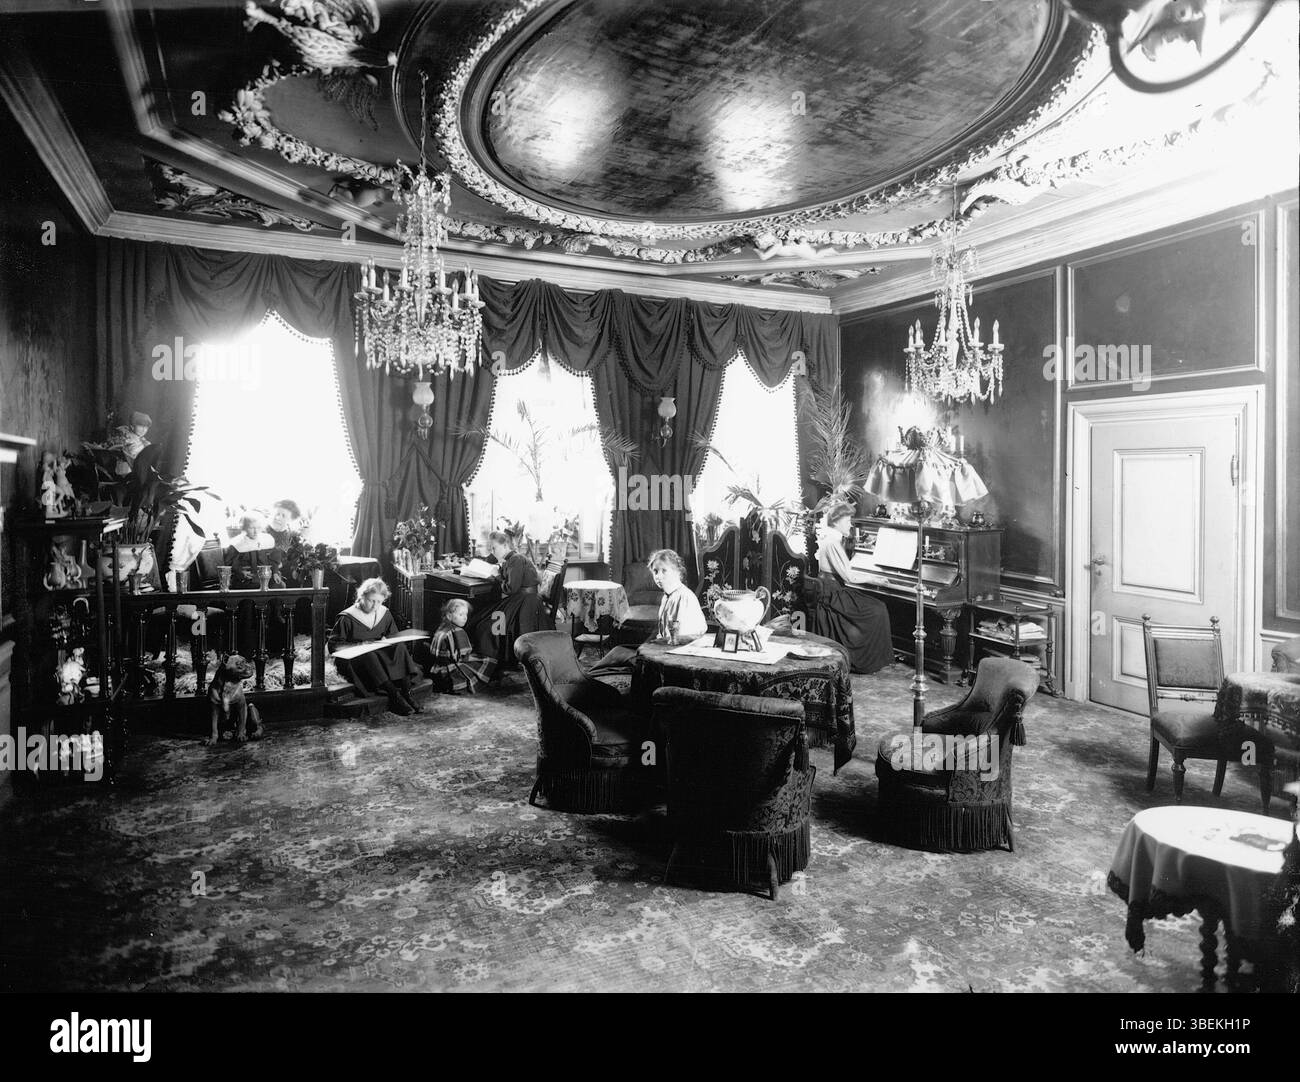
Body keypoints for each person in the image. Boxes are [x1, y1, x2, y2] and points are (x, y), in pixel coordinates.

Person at [588, 548, 707, 672]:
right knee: (618, 650)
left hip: (679, 653)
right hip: (664, 645)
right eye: (655, 571)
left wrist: (648, 652)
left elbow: (678, 641)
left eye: (664, 571)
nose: (658, 576)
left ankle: (594, 676)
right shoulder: (668, 596)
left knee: (621, 659)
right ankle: (592, 675)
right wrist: (644, 646)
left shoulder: (683, 598)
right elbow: (659, 631)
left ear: (677, 572)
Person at [812, 500, 895, 673]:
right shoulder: (832, 543)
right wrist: (875, 579)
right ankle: (867, 660)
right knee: (878, 609)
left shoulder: (833, 539)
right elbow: (849, 577)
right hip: (832, 594)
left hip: (834, 588)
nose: (850, 524)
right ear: (837, 522)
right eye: (848, 520)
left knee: (876, 606)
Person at [329, 577, 425, 715]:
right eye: (371, 601)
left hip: (377, 649)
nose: (375, 606)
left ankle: (407, 693)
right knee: (368, 654)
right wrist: (360, 645)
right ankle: (394, 696)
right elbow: (334, 645)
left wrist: (389, 640)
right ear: (362, 597)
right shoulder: (347, 617)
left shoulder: (383, 613)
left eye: (379, 601)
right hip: (357, 656)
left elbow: (392, 635)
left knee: (400, 647)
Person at [470, 530, 543, 669]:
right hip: (519, 599)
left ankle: (496, 659)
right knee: (484, 617)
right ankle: (494, 658)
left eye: (494, 548)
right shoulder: (510, 559)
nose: (492, 552)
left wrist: (497, 576)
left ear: (505, 545)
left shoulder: (516, 559)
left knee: (488, 624)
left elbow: (511, 588)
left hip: (526, 602)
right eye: (491, 549)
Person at [428, 598, 497, 694]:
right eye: (461, 614)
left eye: (466, 614)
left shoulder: (441, 628)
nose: (465, 618)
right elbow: (463, 655)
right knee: (487, 660)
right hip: (450, 671)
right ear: (449, 616)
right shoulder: (458, 631)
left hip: (437, 670)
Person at [224, 510, 284, 588]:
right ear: (245, 528)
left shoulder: (266, 540)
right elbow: (230, 563)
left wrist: (275, 572)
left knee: (280, 586)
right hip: (245, 580)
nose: (255, 531)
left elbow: (274, 559)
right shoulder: (237, 543)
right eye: (251, 528)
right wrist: (241, 572)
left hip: (266, 577)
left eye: (258, 527)